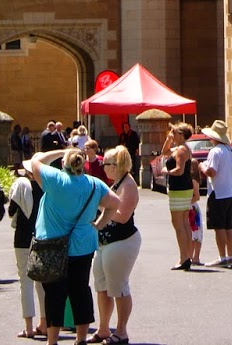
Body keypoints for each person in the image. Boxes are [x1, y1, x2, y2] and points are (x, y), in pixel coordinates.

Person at [26, 147, 120, 345]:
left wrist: (61, 150)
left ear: (63, 164)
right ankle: (81, 339)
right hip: (83, 247)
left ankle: (52, 341)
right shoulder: (94, 184)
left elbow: (36, 160)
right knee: (80, 291)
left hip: (52, 247)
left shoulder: (55, 180)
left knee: (53, 294)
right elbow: (114, 203)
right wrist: (98, 224)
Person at [92, 145, 141, 345]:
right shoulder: (115, 183)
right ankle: (103, 329)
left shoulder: (128, 184)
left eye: (107, 164)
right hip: (105, 242)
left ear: (117, 165)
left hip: (122, 241)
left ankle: (121, 331)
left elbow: (122, 216)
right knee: (101, 286)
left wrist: (99, 203)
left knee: (119, 287)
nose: (103, 167)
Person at [8, 166, 45, 340]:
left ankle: (29, 327)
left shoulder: (21, 187)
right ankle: (44, 323)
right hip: (41, 236)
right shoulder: (46, 189)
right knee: (42, 283)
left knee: (25, 281)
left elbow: (10, 212)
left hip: (22, 237)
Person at [200, 120, 232, 267]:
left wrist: (202, 166)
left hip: (218, 193)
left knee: (219, 227)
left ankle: (222, 257)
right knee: (229, 225)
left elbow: (211, 172)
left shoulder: (215, 151)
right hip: (231, 192)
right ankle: (230, 255)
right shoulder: (231, 150)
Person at [160, 123, 197, 271]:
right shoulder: (180, 148)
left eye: (174, 133)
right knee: (184, 223)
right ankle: (187, 256)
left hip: (180, 189)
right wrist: (168, 139)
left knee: (178, 223)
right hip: (183, 189)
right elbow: (165, 152)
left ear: (181, 135)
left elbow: (179, 170)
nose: (172, 135)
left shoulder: (182, 150)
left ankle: (184, 258)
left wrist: (166, 171)